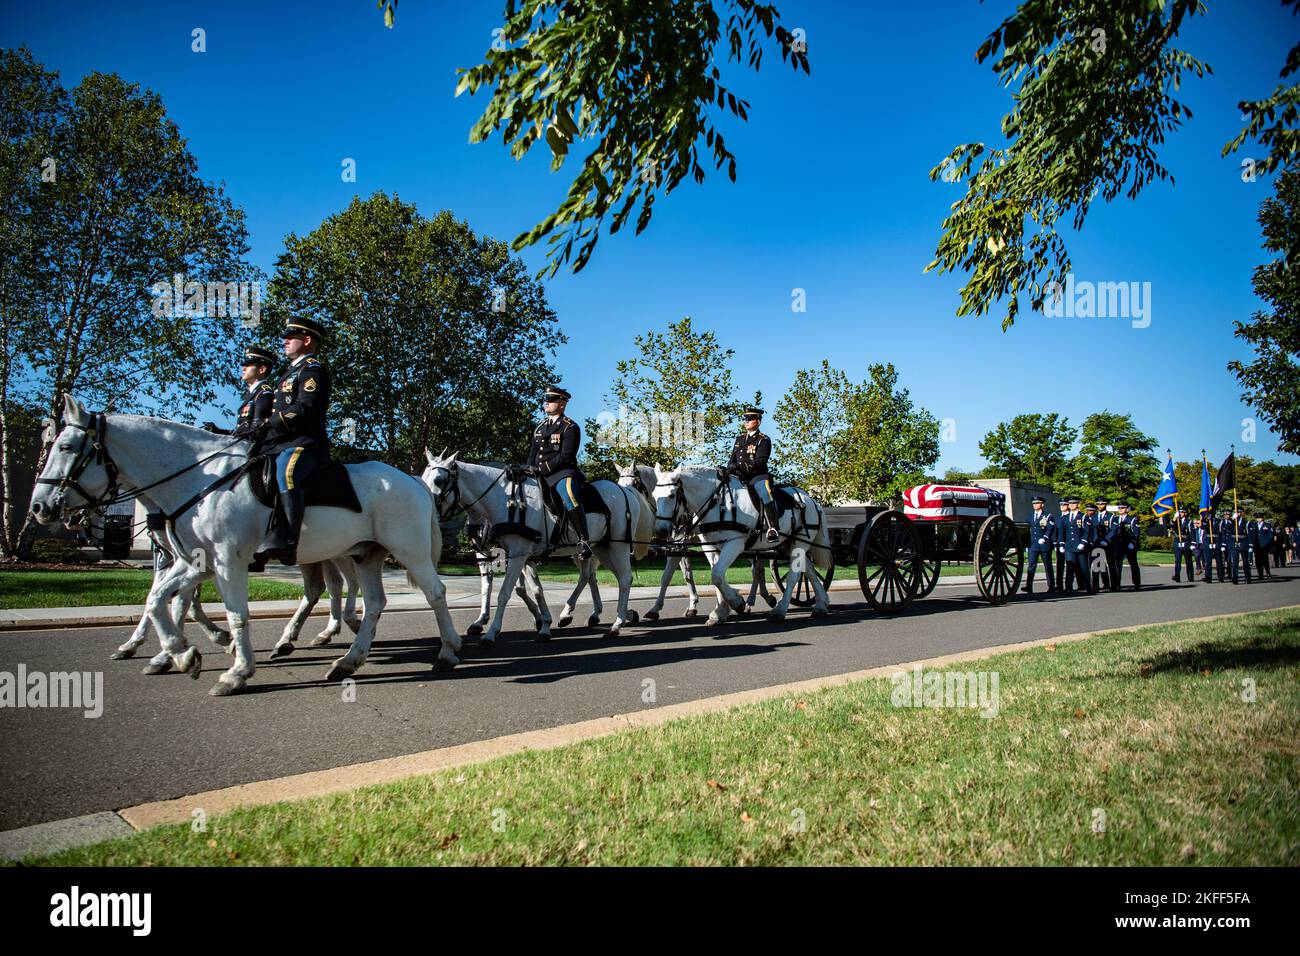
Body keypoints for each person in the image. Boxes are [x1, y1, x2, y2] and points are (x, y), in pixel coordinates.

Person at [253, 317, 331, 569]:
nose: (285, 341)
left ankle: (288, 538)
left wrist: (272, 422)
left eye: (292, 336)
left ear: (307, 340)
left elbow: (305, 407)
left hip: (305, 443)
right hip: (279, 443)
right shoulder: (289, 372)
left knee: (288, 470)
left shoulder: (312, 369)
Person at [529, 386, 592, 560]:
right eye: (546, 400)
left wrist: (543, 469)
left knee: (569, 494)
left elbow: (566, 456)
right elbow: (533, 454)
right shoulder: (540, 427)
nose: (546, 403)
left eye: (551, 401)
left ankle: (583, 540)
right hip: (541, 475)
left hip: (563, 473)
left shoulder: (570, 427)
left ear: (562, 405)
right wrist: (529, 470)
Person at [725, 406, 779, 542]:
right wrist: (731, 467)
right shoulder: (739, 439)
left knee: (764, 491)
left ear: (758, 421)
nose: (746, 421)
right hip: (739, 477)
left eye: (749, 418)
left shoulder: (763, 439)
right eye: (745, 418)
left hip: (757, 477)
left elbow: (761, 461)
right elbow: (732, 459)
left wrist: (740, 468)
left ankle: (773, 528)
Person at [205, 346, 277, 439]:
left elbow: (257, 430)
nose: (243, 369)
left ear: (261, 369)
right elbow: (242, 432)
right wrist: (218, 431)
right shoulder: (253, 393)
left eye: (248, 365)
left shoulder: (264, 393)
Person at [1023, 495, 1056, 595]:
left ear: (1042, 504)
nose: (1035, 505)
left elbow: (1050, 529)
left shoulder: (1048, 516)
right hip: (1033, 545)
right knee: (1031, 566)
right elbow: (1026, 531)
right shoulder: (1029, 517)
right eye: (1033, 503)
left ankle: (1051, 586)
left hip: (1044, 545)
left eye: (1037, 503)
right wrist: (1026, 545)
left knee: (1048, 566)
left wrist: (1045, 537)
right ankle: (1029, 587)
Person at [1062, 498, 1095, 595]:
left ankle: (1089, 587)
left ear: (1078, 505)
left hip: (1080, 545)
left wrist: (1084, 542)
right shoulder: (1065, 517)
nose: (1071, 505)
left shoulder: (1084, 516)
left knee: (1084, 567)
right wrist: (1061, 544)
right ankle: (1068, 587)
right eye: (1070, 503)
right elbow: (1062, 532)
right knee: (1069, 567)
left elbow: (1087, 530)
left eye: (1073, 503)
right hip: (1069, 546)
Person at [1113, 501, 1142, 590]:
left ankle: (1137, 583)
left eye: (1122, 508)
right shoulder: (1115, 519)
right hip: (1118, 545)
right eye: (1119, 508)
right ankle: (1117, 584)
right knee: (1117, 565)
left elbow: (1136, 533)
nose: (1120, 509)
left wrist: (1132, 543)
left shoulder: (1132, 519)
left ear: (1127, 509)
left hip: (1129, 545)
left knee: (1133, 564)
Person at [1090, 499, 1115, 592]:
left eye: (1102, 504)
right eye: (1098, 504)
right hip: (1096, 543)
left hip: (1108, 543)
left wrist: (1107, 539)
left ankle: (1114, 585)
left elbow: (1114, 530)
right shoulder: (1094, 517)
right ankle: (1095, 585)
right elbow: (1091, 530)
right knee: (1097, 564)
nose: (1100, 505)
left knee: (1111, 565)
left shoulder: (1111, 516)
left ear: (1106, 504)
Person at [1222, 508, 1252, 585]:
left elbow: (1249, 534)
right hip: (1233, 543)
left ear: (1242, 513)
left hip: (1243, 542)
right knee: (1234, 561)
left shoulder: (1246, 522)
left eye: (1239, 512)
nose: (1238, 513)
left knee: (1245, 562)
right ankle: (1235, 578)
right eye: (1236, 512)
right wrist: (1232, 519)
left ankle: (1248, 578)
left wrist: (1250, 545)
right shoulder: (1232, 521)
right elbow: (1226, 527)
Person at [1170, 506, 1196, 583]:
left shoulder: (1189, 522)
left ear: (1185, 513)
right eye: (1180, 512)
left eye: (1182, 512)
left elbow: (1192, 533)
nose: (1181, 514)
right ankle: (1177, 576)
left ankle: (1190, 577)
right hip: (1178, 541)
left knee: (1188, 561)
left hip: (1186, 541)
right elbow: (1172, 525)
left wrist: (1193, 543)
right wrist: (1175, 517)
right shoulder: (1176, 520)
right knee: (1177, 560)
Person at [1250, 512, 1275, 580]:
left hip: (1264, 545)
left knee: (1265, 560)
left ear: (1263, 518)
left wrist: (1265, 543)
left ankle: (1268, 572)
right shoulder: (1254, 525)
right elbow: (1251, 534)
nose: (1259, 519)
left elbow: (1270, 535)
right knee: (1258, 560)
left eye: (1260, 518)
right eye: (1257, 518)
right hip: (1256, 545)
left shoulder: (1267, 525)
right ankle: (1260, 574)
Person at [1053, 498, 1070, 591]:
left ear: (1068, 506)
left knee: (1071, 565)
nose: (1062, 507)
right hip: (1060, 544)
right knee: (1060, 565)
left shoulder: (1071, 517)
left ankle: (1072, 584)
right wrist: (1056, 544)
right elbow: (1055, 532)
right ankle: (1059, 584)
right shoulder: (1058, 518)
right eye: (1061, 505)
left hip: (1069, 544)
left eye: (1064, 505)